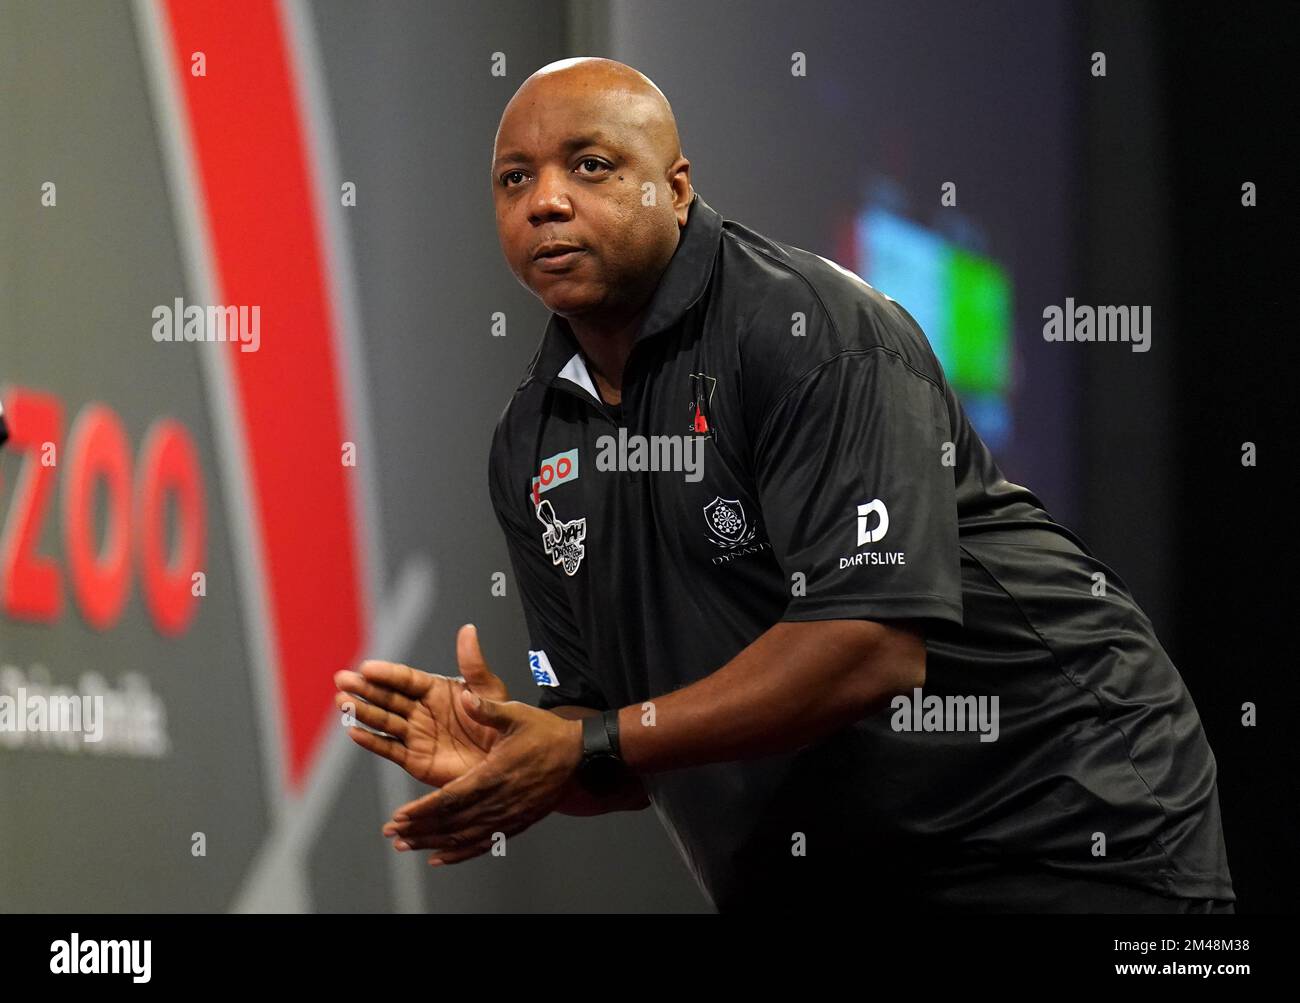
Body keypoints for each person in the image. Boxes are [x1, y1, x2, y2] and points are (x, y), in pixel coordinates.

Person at [334, 57, 1234, 913]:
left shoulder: (812, 331)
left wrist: (592, 740)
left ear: (677, 189)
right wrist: (522, 751)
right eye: (514, 180)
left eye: (592, 166)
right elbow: (615, 737)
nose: (547, 202)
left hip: (1061, 823)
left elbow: (869, 645)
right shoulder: (529, 444)